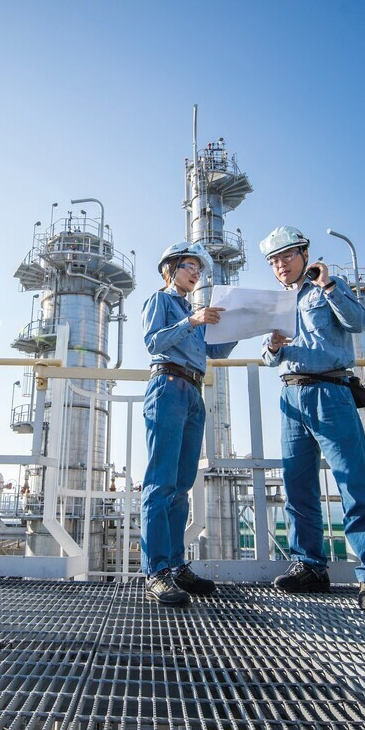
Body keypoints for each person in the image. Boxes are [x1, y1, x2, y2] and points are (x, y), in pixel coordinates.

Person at [260, 226, 365, 612]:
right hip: (291, 394)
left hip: (331, 392)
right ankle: (310, 566)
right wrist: (272, 345)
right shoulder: (275, 303)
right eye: (273, 260)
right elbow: (267, 359)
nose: (280, 265)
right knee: (297, 486)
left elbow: (358, 323)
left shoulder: (327, 288)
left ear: (305, 254)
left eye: (287, 255)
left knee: (353, 482)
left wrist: (330, 285)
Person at [139, 241, 236, 606]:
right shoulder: (160, 301)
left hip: (193, 393)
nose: (196, 273)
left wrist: (240, 325)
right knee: (160, 483)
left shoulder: (192, 313)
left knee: (181, 486)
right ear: (170, 270)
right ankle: (156, 571)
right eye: (189, 267)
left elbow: (215, 350)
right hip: (167, 386)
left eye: (198, 269)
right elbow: (153, 342)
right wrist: (192, 321)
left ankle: (176, 565)